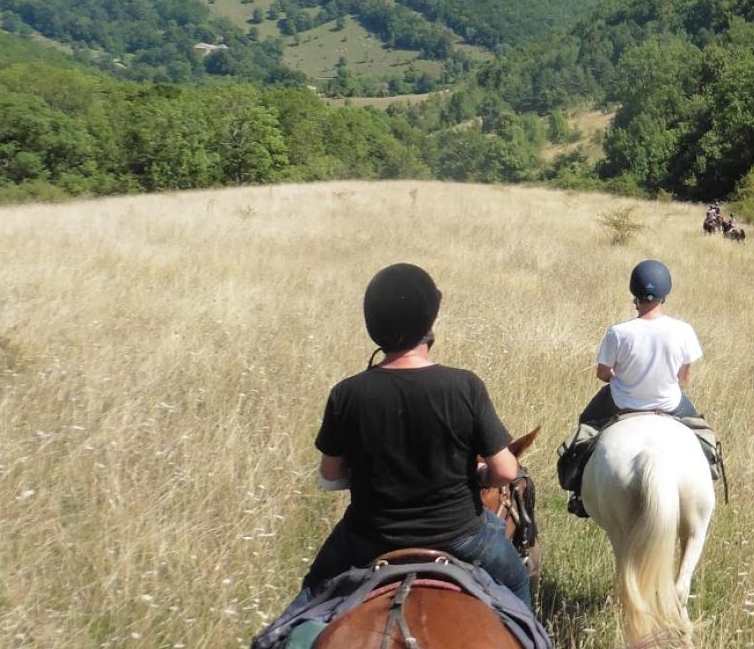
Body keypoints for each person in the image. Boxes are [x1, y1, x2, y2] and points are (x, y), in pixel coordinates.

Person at [301, 263, 532, 608]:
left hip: (368, 538)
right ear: (429, 323)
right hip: (462, 537)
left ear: (373, 324)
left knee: (308, 597)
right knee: (517, 583)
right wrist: (479, 473)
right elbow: (505, 472)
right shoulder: (464, 386)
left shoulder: (346, 393)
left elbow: (331, 476)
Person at [557, 260, 720, 517]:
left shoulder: (619, 332)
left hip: (621, 402)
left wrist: (620, 377)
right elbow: (684, 376)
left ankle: (578, 492)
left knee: (585, 425)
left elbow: (602, 374)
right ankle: (711, 474)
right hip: (670, 403)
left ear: (635, 293)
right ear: (666, 293)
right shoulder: (683, 330)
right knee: (705, 434)